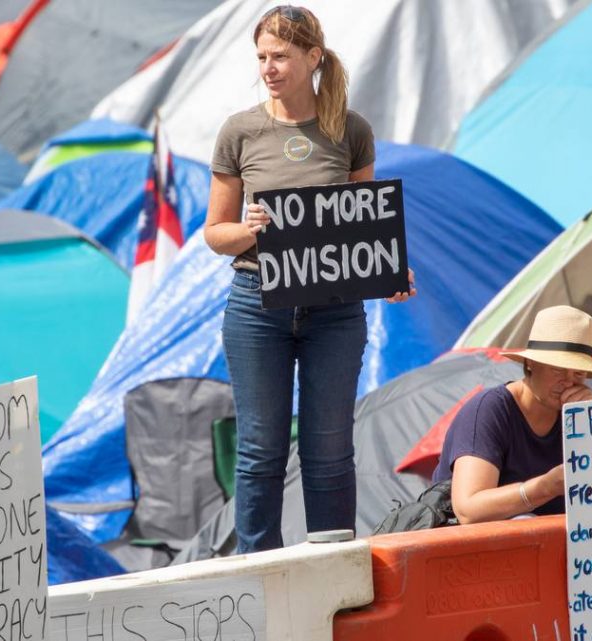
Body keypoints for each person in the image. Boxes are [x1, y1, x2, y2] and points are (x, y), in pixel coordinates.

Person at [205, 5, 415, 552]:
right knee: (259, 451)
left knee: (329, 449)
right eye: (261, 58)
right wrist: (248, 230)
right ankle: (254, 573)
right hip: (257, 305)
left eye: (280, 56)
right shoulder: (240, 131)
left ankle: (332, 567)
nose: (268, 67)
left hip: (335, 312)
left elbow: (361, 230)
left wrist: (389, 272)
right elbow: (214, 232)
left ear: (312, 57)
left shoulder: (350, 129)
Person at [432, 306, 592, 522]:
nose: (568, 382)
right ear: (530, 364)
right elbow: (468, 510)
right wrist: (547, 487)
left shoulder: (581, 414)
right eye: (557, 370)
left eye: (578, 373)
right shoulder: (489, 409)